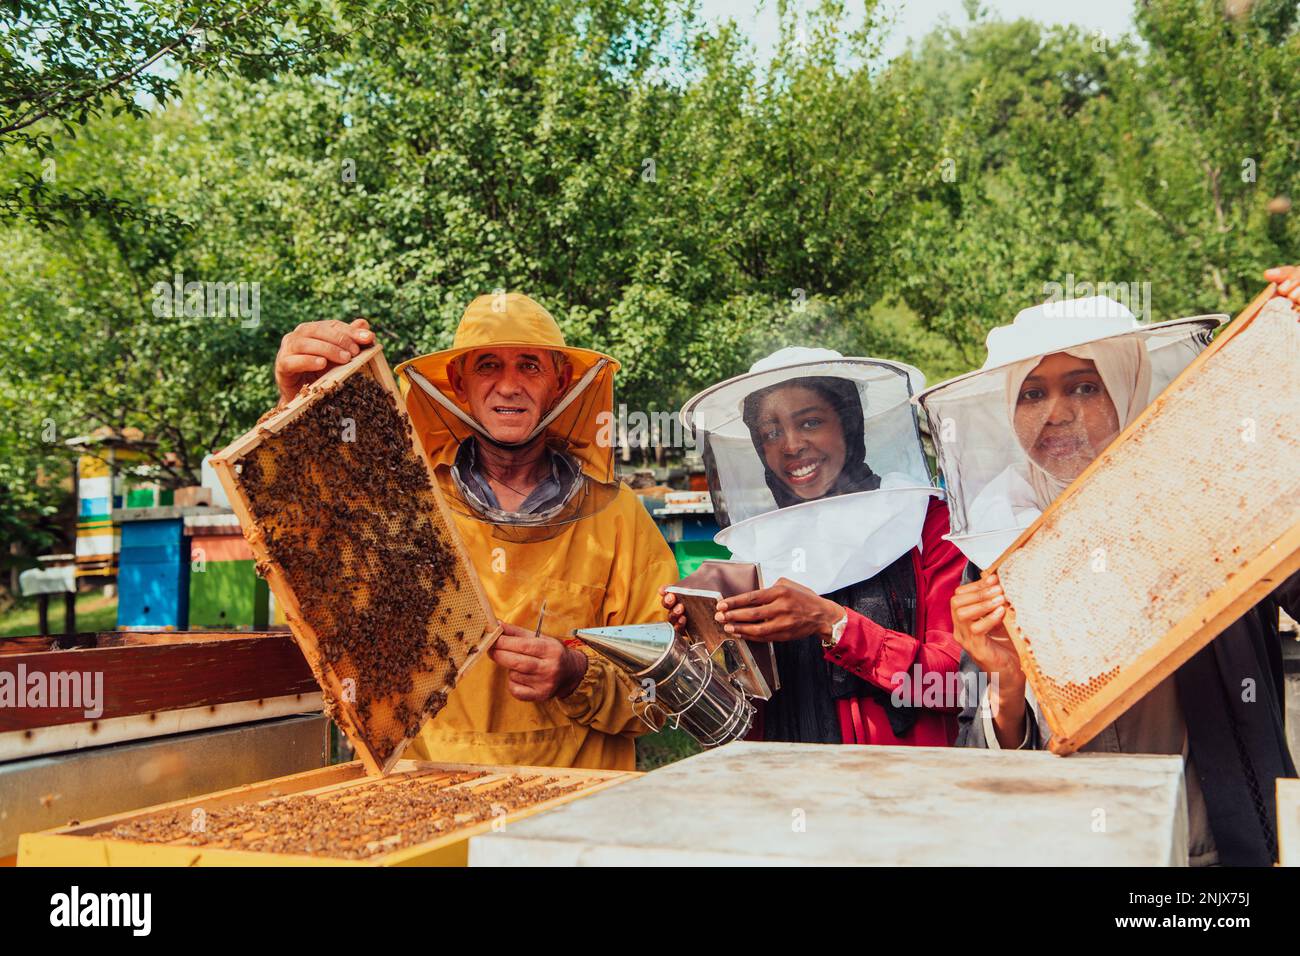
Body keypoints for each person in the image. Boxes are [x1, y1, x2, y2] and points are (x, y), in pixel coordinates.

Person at [923, 270, 1300, 865]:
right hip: (1068, 846)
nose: (1055, 413)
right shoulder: (995, 557)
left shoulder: (1214, 503)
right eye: (1032, 392)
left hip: (1212, 852)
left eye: (1083, 386)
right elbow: (987, 750)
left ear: (1128, 389)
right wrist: (1007, 683)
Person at [272, 292, 679, 771]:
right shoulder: (403, 501)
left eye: (529, 366)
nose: (509, 386)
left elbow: (663, 688)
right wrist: (294, 410)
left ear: (560, 382)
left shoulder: (617, 517)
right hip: (428, 793)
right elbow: (309, 578)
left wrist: (576, 673)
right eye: (488, 366)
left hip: (575, 808)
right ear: (459, 385)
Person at [663, 347, 966, 745]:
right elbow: (740, 711)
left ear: (849, 424)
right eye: (770, 433)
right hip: (783, 783)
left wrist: (834, 624)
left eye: (809, 422)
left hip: (904, 787)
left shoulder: (926, 524)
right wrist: (704, 645)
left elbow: (960, 688)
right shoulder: (758, 546)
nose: (790, 445)